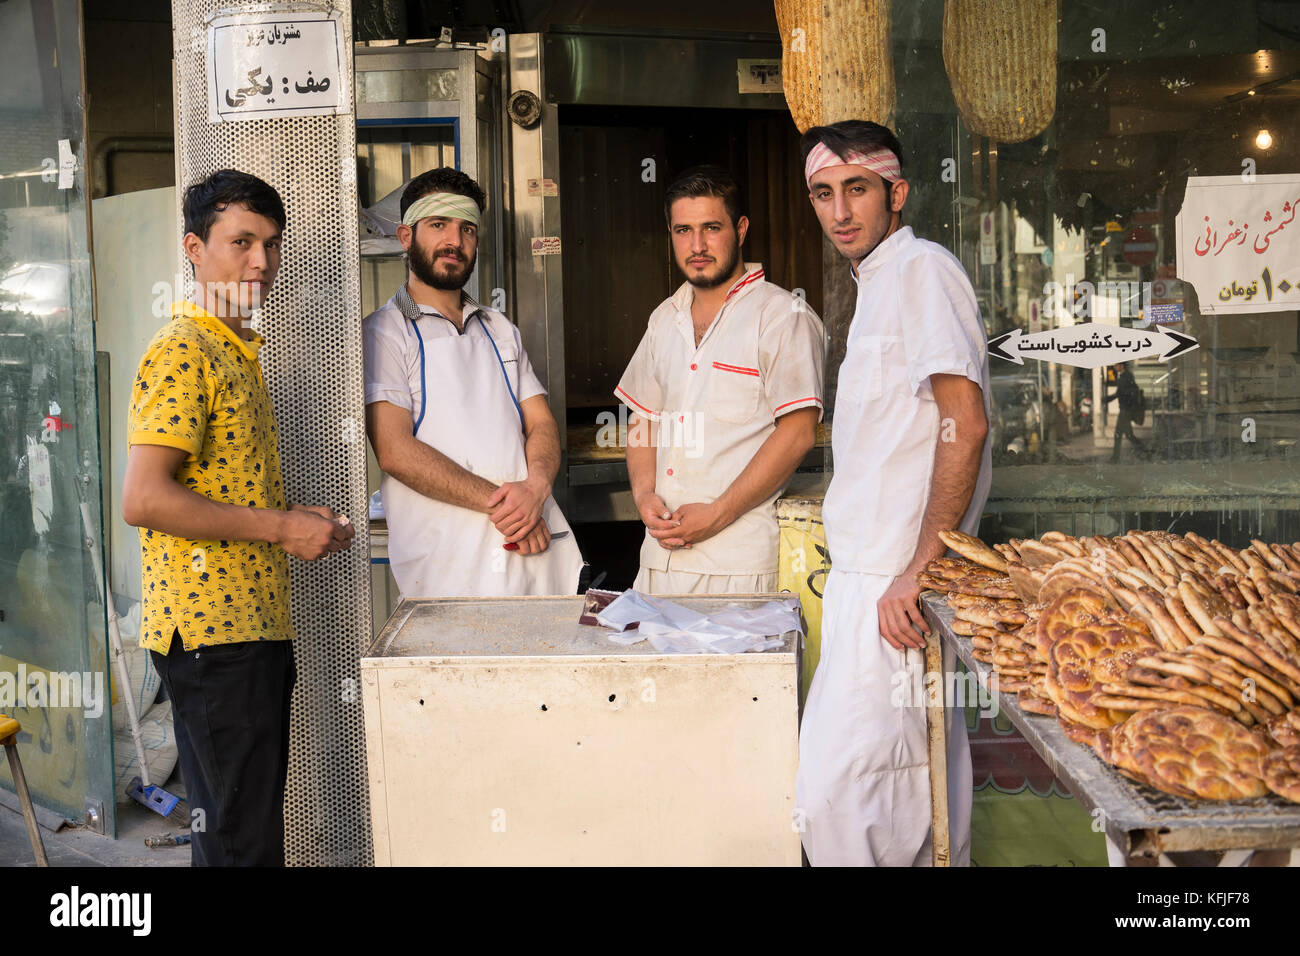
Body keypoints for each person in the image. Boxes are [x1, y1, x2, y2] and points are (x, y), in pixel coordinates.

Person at [122, 169, 355, 866]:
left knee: (239, 837)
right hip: (212, 638)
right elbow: (145, 499)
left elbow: (217, 488)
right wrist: (283, 529)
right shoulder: (184, 350)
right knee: (239, 846)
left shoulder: (234, 347)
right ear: (194, 248)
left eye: (272, 244)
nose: (261, 262)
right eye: (241, 242)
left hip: (245, 630)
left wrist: (291, 516)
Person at [794, 121, 991, 866]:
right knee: (881, 805)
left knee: (861, 806)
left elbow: (963, 425)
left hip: (897, 591)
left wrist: (919, 570)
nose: (841, 211)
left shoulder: (923, 271)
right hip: (867, 588)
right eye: (824, 193)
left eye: (858, 190)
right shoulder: (874, 286)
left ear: (896, 193)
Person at [363, 167, 583, 597]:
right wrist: (513, 511)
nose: (454, 241)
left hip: (534, 567)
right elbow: (395, 452)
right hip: (450, 574)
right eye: (438, 225)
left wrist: (536, 489)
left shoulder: (499, 328)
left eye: (467, 229)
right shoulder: (384, 333)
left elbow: (540, 423)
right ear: (406, 237)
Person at [615, 165, 824, 594]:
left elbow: (799, 433)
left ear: (741, 228)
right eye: (683, 230)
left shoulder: (783, 316)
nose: (697, 245)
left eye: (711, 227)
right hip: (659, 563)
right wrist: (643, 496)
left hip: (740, 567)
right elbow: (643, 419)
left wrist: (718, 514)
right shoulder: (663, 319)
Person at [1106, 362, 1146, 462]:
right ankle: (1145, 451)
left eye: (1116, 365)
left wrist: (1106, 399)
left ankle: (1115, 458)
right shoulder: (1125, 376)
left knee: (1119, 434)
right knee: (1128, 435)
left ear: (1121, 366)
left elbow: (1121, 393)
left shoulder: (1126, 376)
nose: (1114, 367)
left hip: (1126, 410)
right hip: (1125, 409)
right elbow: (1120, 393)